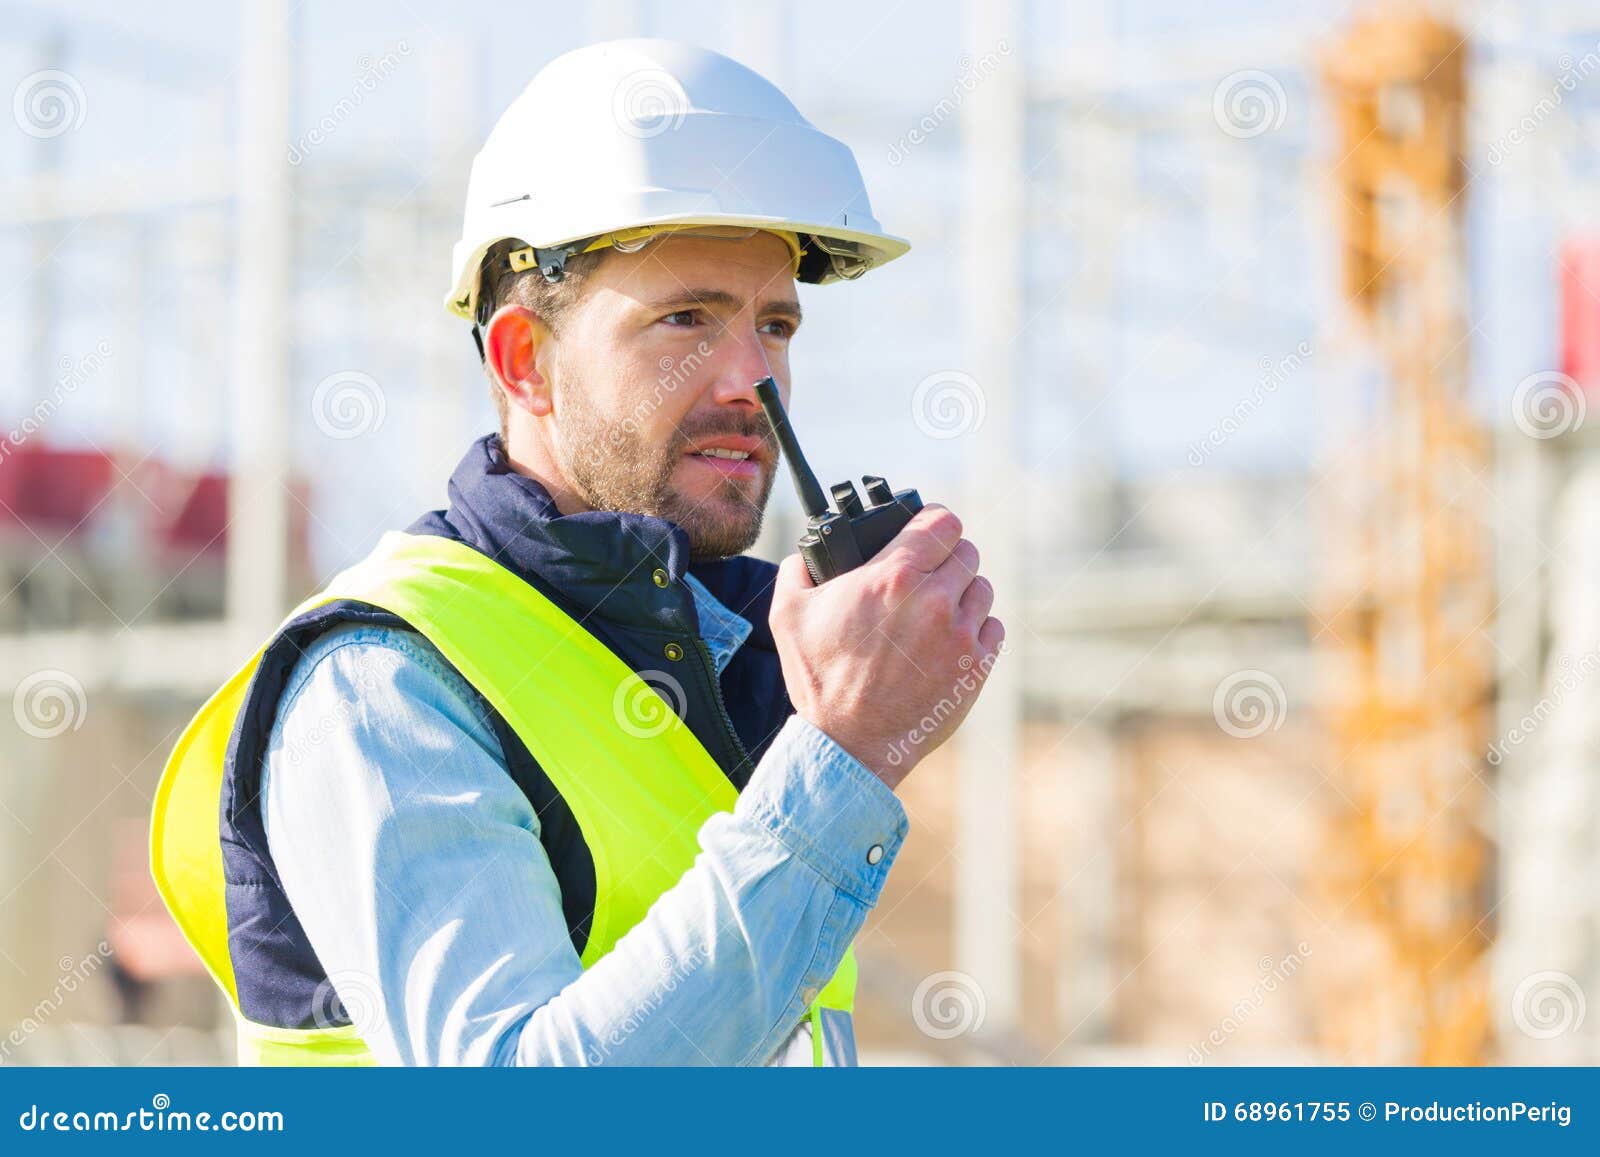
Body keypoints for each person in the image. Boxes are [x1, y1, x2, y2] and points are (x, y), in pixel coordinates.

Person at [151, 38, 1003, 1066]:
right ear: (525, 362)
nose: (749, 376)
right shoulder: (382, 679)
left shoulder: (744, 652)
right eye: (684, 320)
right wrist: (845, 762)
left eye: (775, 323)